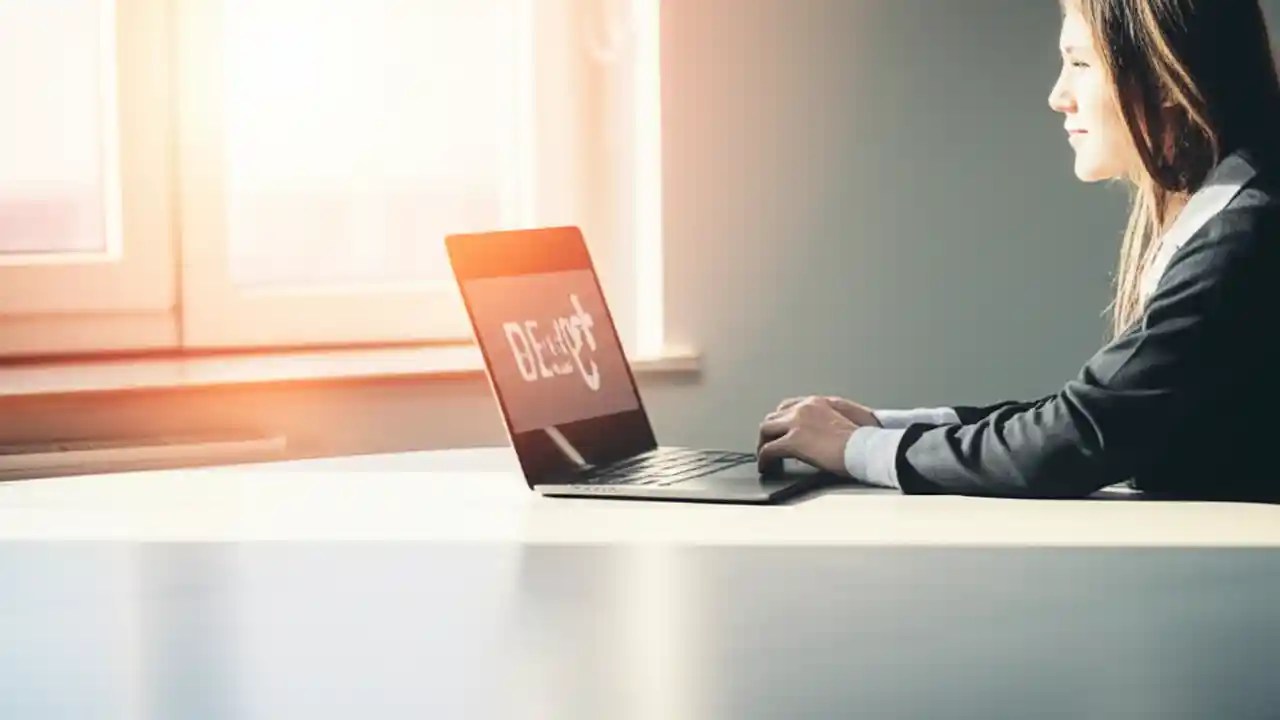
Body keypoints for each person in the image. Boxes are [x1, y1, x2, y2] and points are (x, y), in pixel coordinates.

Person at [756, 0, 1280, 499]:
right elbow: (1099, 412)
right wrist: (880, 426)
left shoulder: (1240, 235)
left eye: (1079, 62)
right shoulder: (1231, 209)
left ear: (1166, 75)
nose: (1058, 95)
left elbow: (1080, 436)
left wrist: (853, 449)